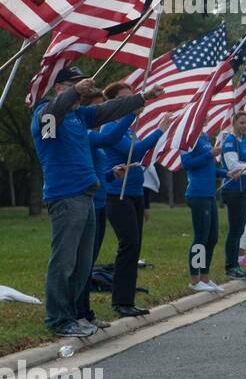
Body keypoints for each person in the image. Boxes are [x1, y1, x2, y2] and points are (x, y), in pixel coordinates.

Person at [31, 68, 164, 337]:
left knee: (82, 264)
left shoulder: (79, 116)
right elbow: (49, 118)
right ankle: (58, 319)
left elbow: (110, 110)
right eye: (74, 87)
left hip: (86, 195)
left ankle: (75, 315)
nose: (83, 95)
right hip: (65, 196)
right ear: (59, 87)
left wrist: (142, 97)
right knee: (64, 261)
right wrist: (73, 93)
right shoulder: (45, 115)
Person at [100, 81, 171, 318]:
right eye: (123, 98)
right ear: (111, 103)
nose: (129, 101)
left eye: (131, 98)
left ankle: (127, 298)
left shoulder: (129, 127)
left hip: (135, 193)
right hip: (116, 194)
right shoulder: (109, 126)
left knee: (135, 245)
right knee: (128, 244)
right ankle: (120, 301)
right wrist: (160, 129)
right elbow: (136, 151)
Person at [81, 101, 134, 327]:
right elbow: (111, 139)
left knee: (89, 261)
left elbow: (98, 172)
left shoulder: (93, 136)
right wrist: (131, 113)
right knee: (83, 261)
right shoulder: (89, 135)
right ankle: (79, 313)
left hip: (100, 204)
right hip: (91, 203)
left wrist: (111, 174)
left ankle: (85, 312)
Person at [220, 110, 246, 280]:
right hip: (233, 190)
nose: (244, 126)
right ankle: (231, 266)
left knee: (240, 228)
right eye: (241, 122)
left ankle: (235, 264)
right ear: (234, 122)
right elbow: (233, 166)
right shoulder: (229, 141)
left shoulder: (245, 141)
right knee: (235, 229)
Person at [182, 130, 222, 292]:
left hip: (210, 195)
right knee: (201, 237)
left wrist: (226, 173)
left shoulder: (205, 137)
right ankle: (194, 280)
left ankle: (205, 277)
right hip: (197, 194)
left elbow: (209, 168)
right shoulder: (188, 138)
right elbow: (186, 164)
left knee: (212, 238)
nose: (207, 115)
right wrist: (209, 154)